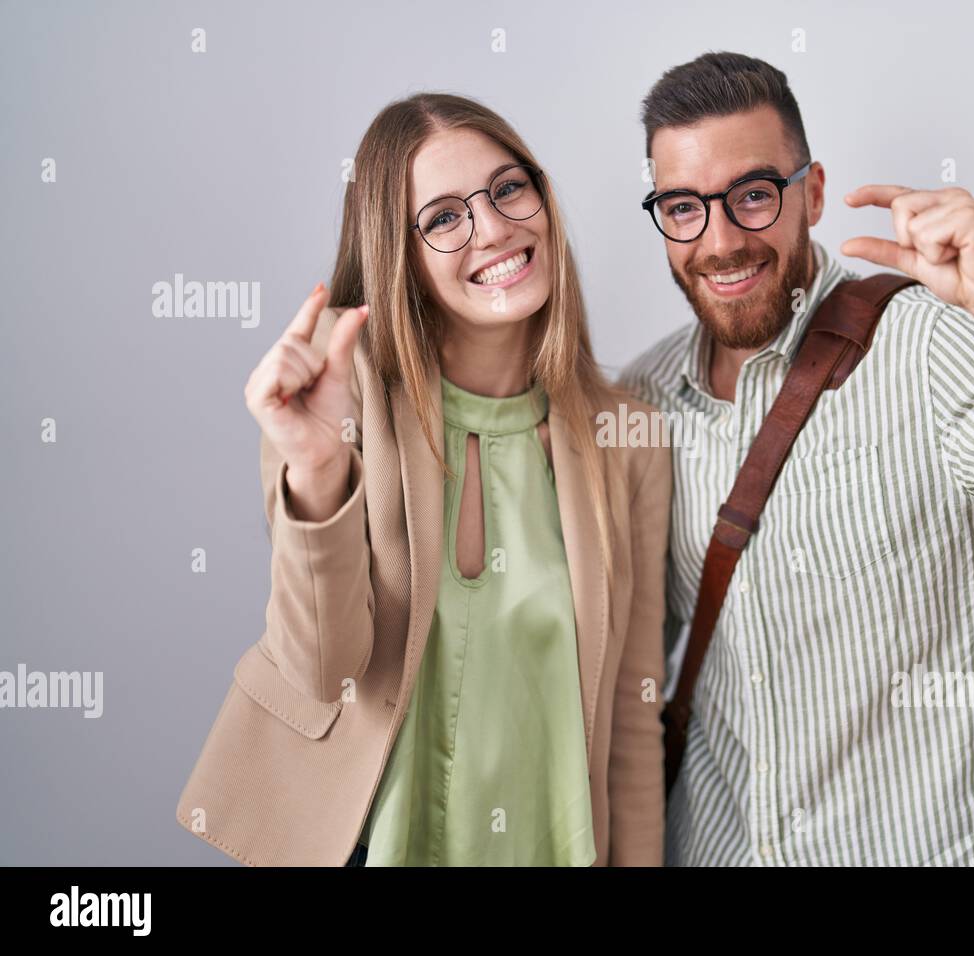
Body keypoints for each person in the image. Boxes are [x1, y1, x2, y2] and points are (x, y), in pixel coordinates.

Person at [619, 52, 974, 866]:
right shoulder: (641, 400)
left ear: (813, 193)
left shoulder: (933, 349)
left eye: (753, 195)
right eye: (682, 207)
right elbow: (619, 668)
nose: (719, 241)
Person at [176, 93, 670, 866]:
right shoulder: (344, 399)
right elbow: (323, 669)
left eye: (509, 188)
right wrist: (317, 466)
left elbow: (634, 721)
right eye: (443, 218)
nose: (496, 228)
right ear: (396, 253)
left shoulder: (626, 437)